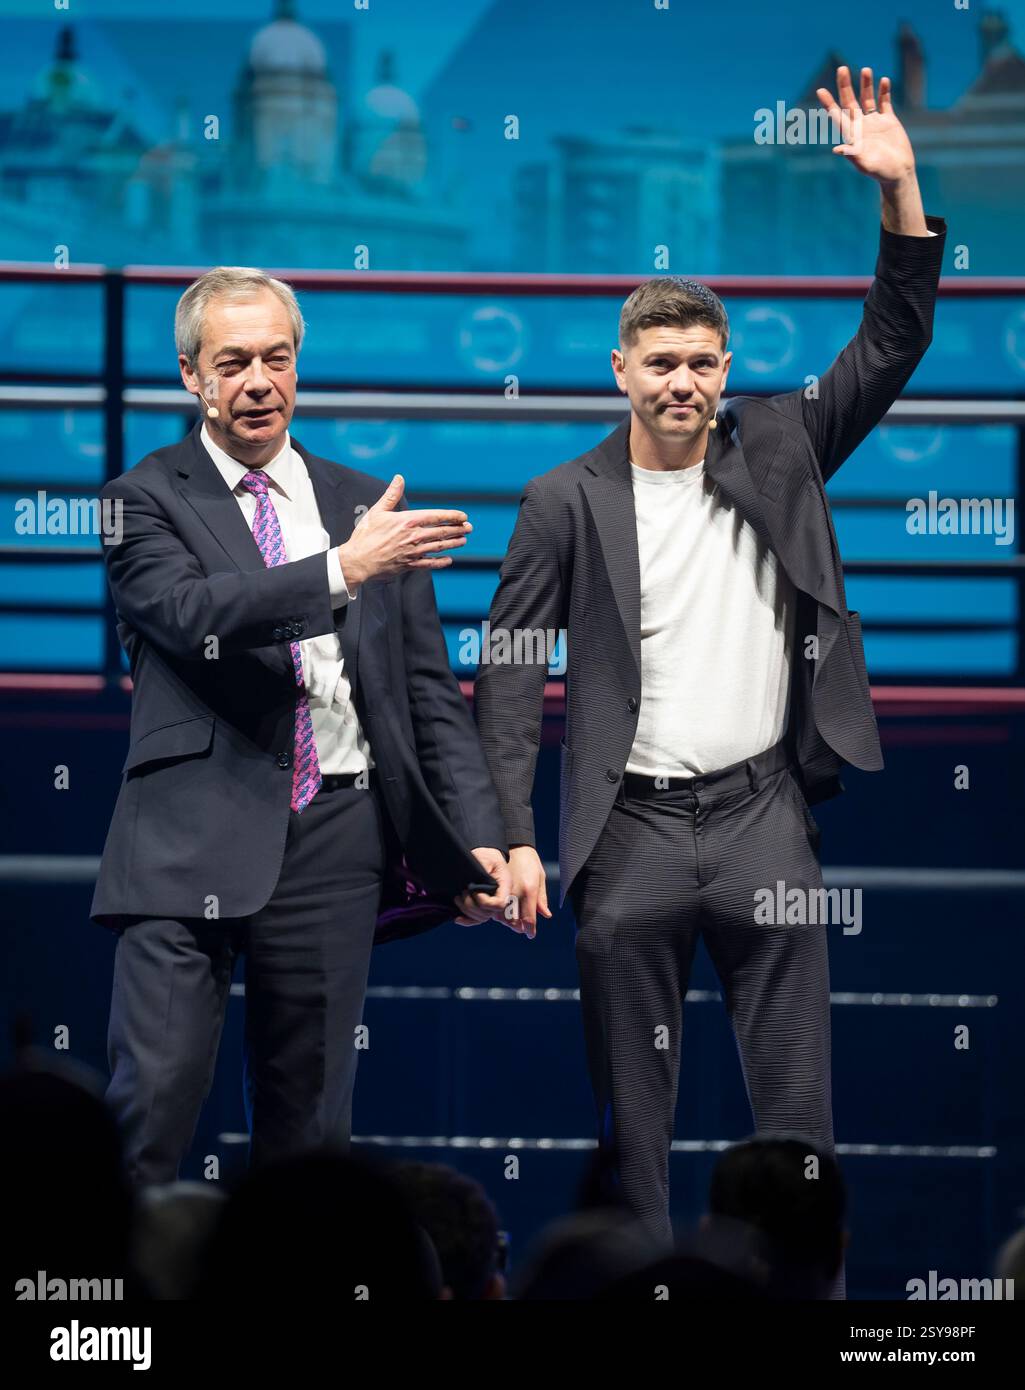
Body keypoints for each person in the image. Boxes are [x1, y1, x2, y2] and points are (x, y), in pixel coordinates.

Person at [472, 67, 946, 1298]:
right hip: (622, 831)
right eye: (658, 361)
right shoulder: (559, 501)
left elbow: (893, 335)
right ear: (618, 370)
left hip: (758, 820)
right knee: (632, 1123)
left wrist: (896, 184)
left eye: (699, 361)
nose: (681, 381)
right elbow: (512, 673)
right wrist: (507, 835)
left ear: (724, 367)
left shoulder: (783, 445)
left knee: (795, 1122)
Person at [91, 265, 510, 1187]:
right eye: (232, 362)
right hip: (187, 836)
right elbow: (191, 615)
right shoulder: (141, 496)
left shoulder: (365, 505)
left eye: (276, 359)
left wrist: (480, 837)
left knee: (310, 1137)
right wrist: (340, 573)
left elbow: (429, 696)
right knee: (150, 1110)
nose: (258, 382)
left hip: (337, 839)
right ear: (190, 375)